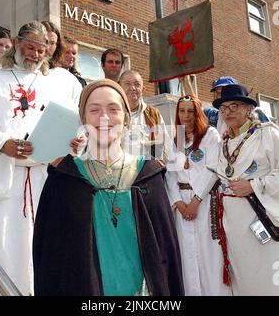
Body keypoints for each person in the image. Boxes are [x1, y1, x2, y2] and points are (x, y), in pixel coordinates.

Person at [33, 79, 184, 296]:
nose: (104, 118)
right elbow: (49, 259)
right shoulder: (64, 178)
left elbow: (167, 255)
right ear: (83, 119)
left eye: (113, 109)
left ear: (126, 119)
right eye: (94, 110)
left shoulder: (149, 176)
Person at [0, 21, 79, 296]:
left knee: (44, 247)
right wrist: (4, 144)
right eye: (30, 48)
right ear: (16, 43)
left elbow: (70, 123)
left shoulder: (54, 84)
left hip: (42, 180)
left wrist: (74, 140)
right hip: (5, 182)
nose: (36, 55)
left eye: (42, 50)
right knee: (0, 247)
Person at [213, 84, 279, 295]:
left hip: (262, 220)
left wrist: (254, 185)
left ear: (248, 109)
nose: (228, 112)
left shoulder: (268, 134)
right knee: (246, 280)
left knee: (272, 278)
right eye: (224, 108)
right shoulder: (225, 141)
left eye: (234, 106)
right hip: (234, 228)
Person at [165, 95, 232, 296]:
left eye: (191, 111)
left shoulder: (209, 135)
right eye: (182, 111)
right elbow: (171, 174)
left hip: (204, 202)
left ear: (198, 112)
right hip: (182, 206)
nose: (186, 116)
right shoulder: (176, 137)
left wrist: (196, 201)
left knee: (209, 256)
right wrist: (178, 202)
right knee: (188, 257)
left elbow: (212, 168)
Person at [119, 70, 169, 161]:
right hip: (119, 172)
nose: (133, 88)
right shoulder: (111, 114)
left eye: (137, 84)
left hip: (147, 172)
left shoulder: (153, 114)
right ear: (119, 87)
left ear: (143, 89)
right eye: (127, 84)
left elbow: (166, 147)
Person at [203, 76, 269, 134]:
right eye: (217, 93)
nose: (221, 95)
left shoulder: (257, 114)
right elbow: (200, 110)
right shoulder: (216, 116)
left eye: (234, 106)